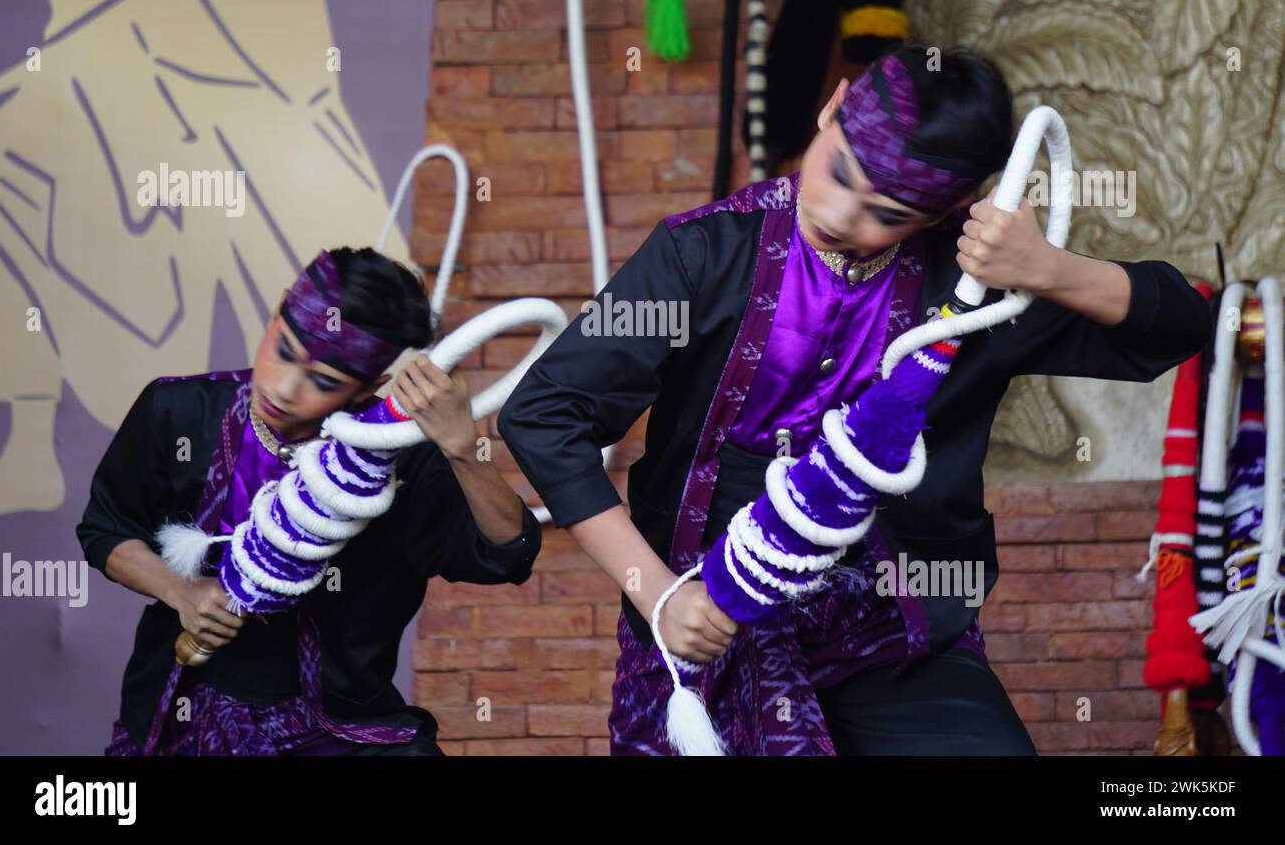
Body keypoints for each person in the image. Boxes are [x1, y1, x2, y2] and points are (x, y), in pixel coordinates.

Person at [498, 44, 1214, 755]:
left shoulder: (977, 294)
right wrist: (655, 593)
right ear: (833, 107)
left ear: (944, 211)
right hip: (707, 615)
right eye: (840, 170)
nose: (842, 215)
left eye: (888, 212)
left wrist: (1047, 267)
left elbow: (1185, 321)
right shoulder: (701, 255)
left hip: (898, 634)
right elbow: (543, 415)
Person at [77, 246, 541, 755]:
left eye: (324, 382)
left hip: (338, 726)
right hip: (180, 708)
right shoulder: (178, 412)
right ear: (277, 311)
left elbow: (507, 554)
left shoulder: (399, 461)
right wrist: (180, 591)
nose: (284, 388)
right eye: (283, 350)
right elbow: (107, 529)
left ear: (372, 386)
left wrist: (460, 448)